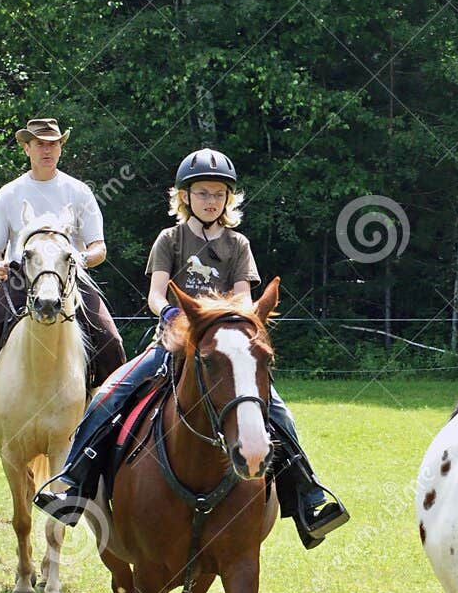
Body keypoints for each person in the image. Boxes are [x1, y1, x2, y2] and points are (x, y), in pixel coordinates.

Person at [35, 149, 347, 548]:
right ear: (185, 197)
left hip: (222, 348)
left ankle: (309, 496)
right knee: (110, 397)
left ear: (228, 199)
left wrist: (236, 327)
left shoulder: (238, 244)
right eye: (202, 193)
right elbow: (155, 293)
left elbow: (242, 299)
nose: (210, 201)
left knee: (277, 412)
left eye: (218, 194)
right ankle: (71, 484)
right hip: (173, 343)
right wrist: (168, 315)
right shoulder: (170, 239)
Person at [0, 118, 125, 447]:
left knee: (110, 339)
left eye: (53, 143)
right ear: (26, 147)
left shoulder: (79, 191)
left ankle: (118, 419)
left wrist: (80, 259)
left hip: (69, 274)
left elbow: (98, 247)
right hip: (21, 277)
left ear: (61, 147)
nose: (47, 149)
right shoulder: (10, 193)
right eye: (39, 143)